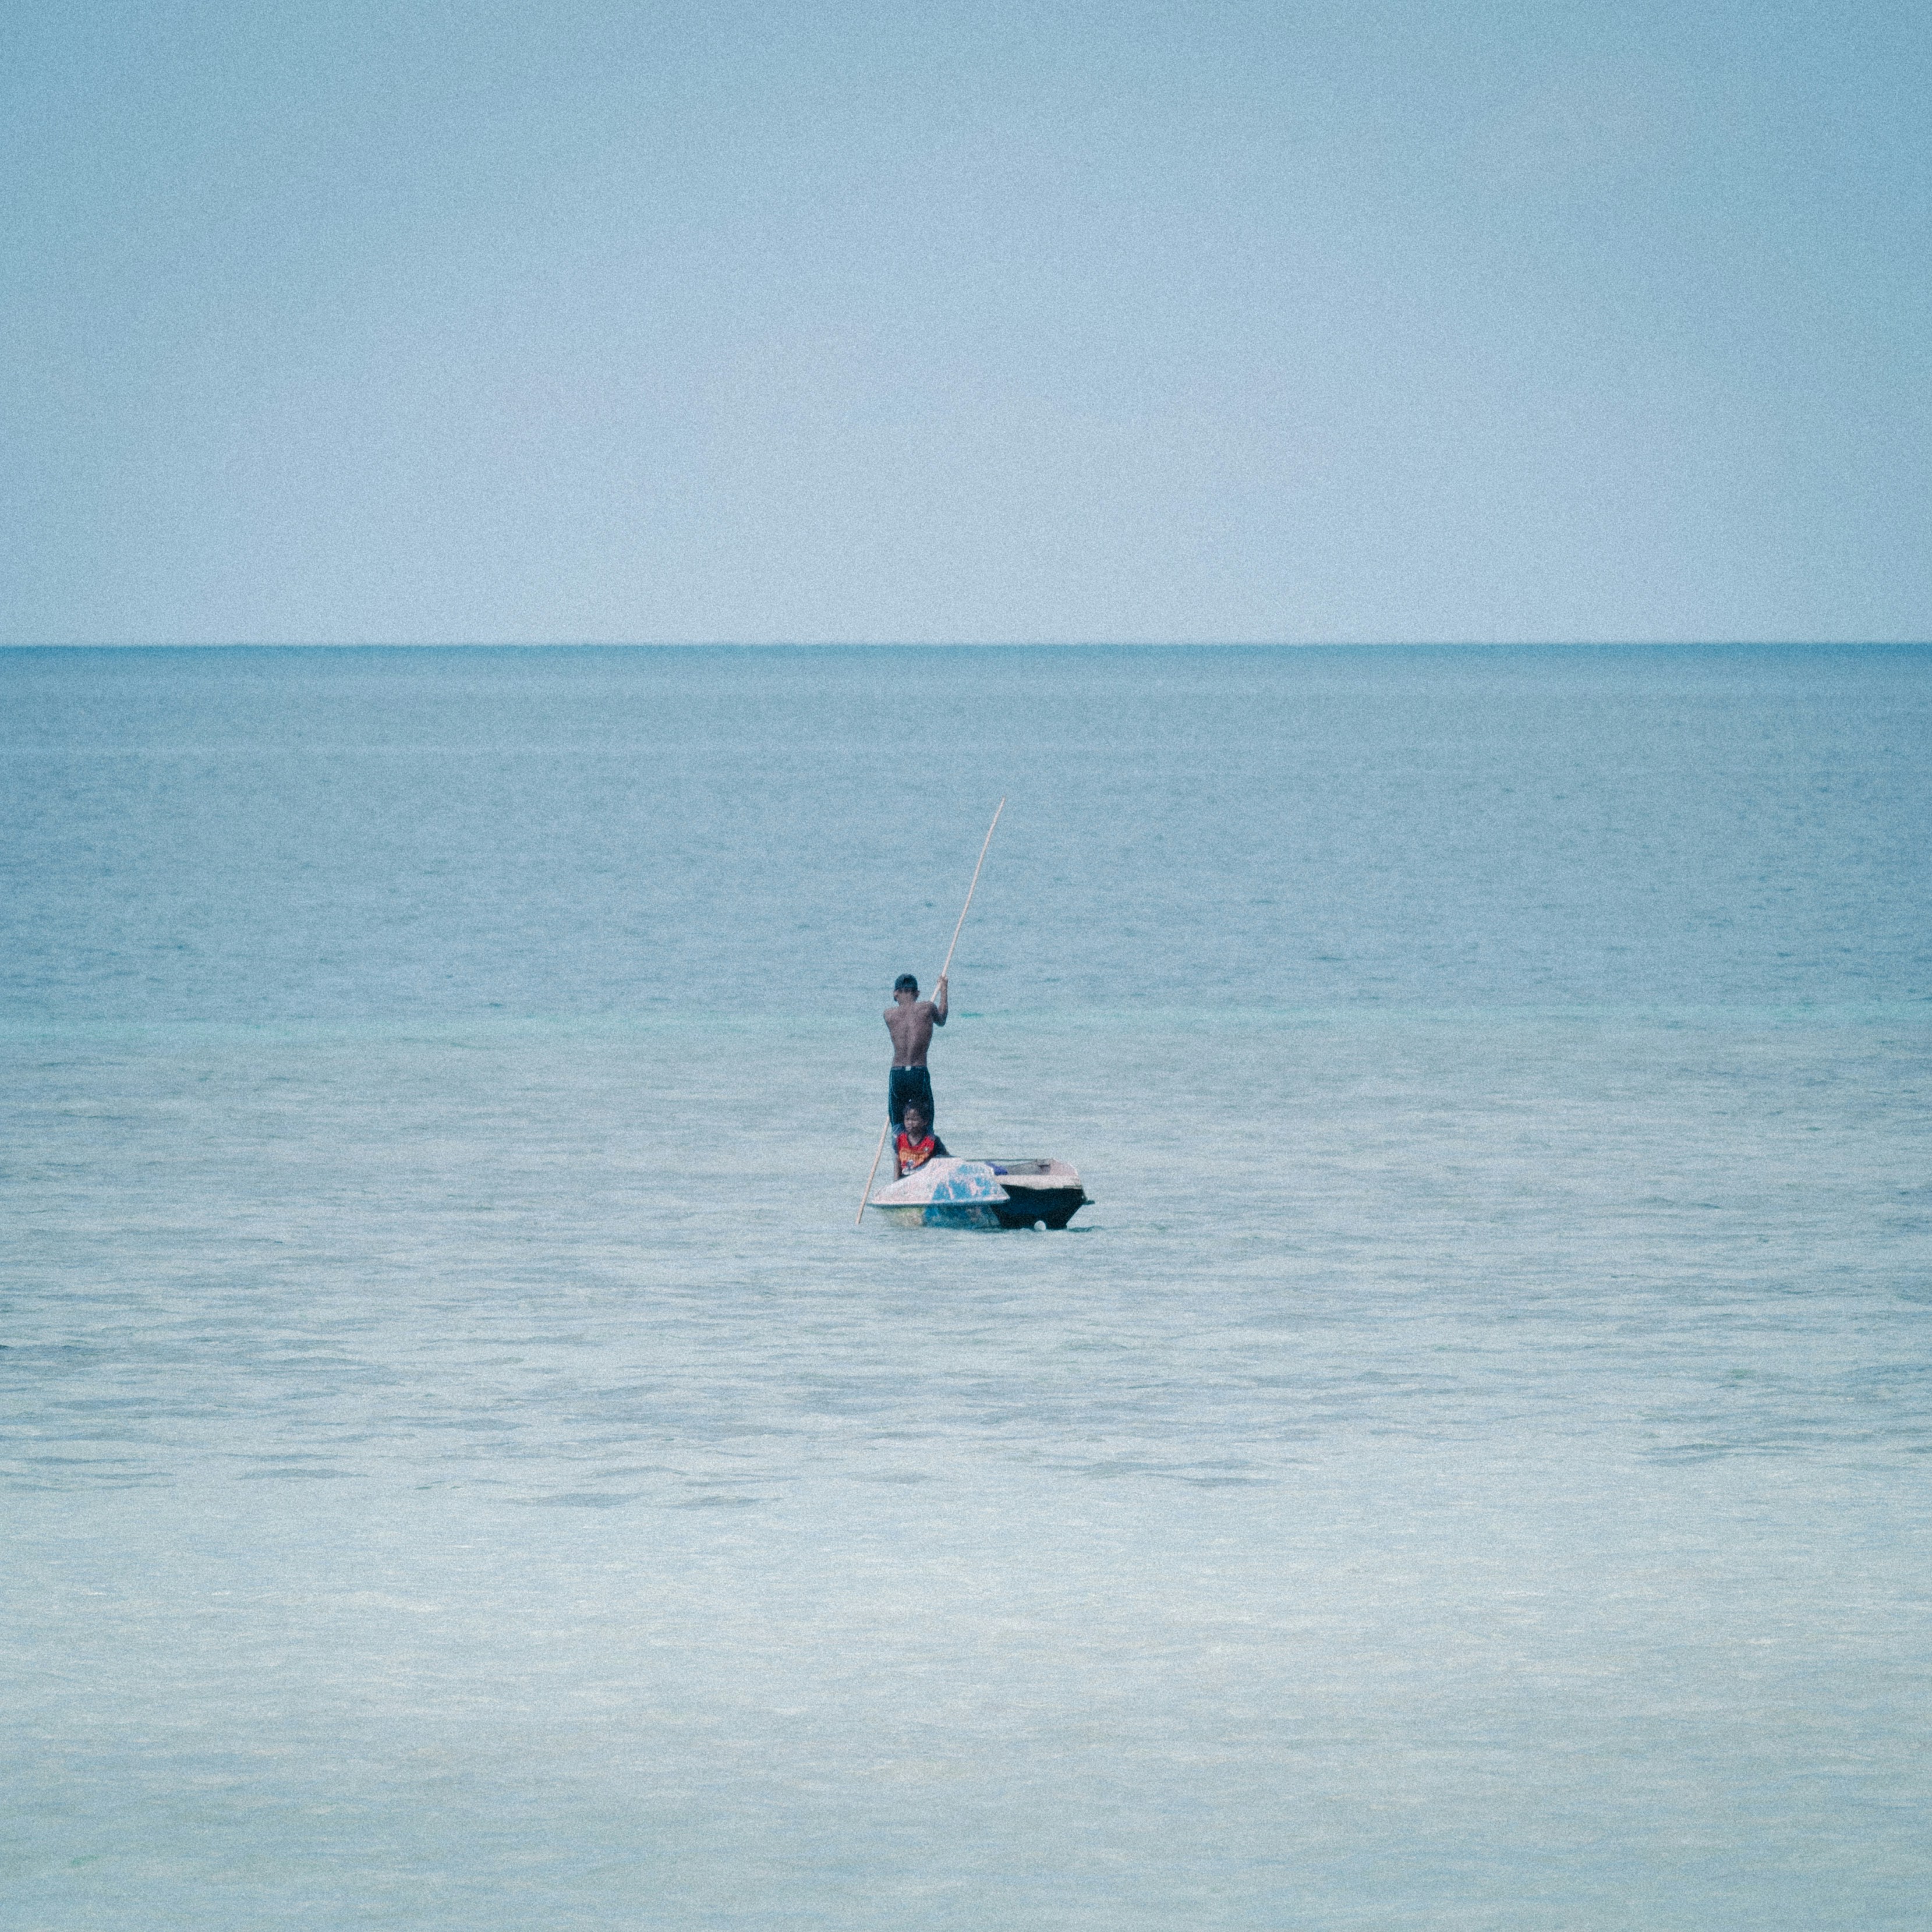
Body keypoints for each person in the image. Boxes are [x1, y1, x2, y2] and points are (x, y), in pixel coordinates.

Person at [884, 970, 947, 1135]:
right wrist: (944, 989)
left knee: (898, 1121)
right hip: (918, 1072)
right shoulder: (927, 1008)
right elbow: (942, 1019)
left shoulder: (889, 1015)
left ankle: (899, 1158)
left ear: (896, 993)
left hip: (898, 1074)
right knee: (926, 1118)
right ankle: (927, 1154)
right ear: (917, 993)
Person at [893, 1097, 949, 1178]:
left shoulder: (932, 1141)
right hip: (905, 1180)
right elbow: (898, 1162)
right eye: (907, 1119)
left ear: (925, 1121)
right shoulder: (900, 1140)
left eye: (914, 1120)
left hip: (925, 1180)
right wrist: (896, 1182)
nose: (910, 1123)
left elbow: (946, 1160)